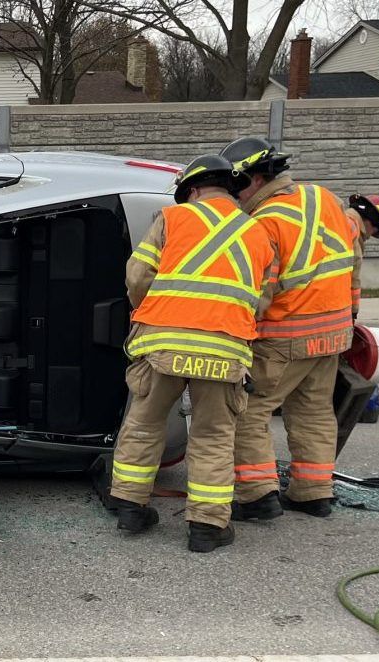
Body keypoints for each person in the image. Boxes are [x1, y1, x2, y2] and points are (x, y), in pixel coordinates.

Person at [110, 154, 275, 553]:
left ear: (193, 191)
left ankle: (131, 507)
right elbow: (263, 301)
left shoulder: (173, 218)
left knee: (145, 424)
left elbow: (138, 276)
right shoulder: (258, 234)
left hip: (162, 344)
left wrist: (147, 311)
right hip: (224, 349)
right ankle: (207, 527)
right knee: (214, 435)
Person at [220, 137, 361, 520]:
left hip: (284, 337)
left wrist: (237, 335)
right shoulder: (325, 199)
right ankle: (313, 492)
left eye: (236, 186)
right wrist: (351, 311)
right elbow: (353, 260)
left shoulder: (263, 223)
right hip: (333, 333)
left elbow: (259, 293)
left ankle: (255, 494)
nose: (234, 196)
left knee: (247, 411)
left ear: (255, 179)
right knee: (313, 411)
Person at [346, 194, 379, 312]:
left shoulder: (341, 220)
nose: (369, 236)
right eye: (375, 231)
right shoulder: (351, 230)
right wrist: (353, 312)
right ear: (372, 219)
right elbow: (353, 280)